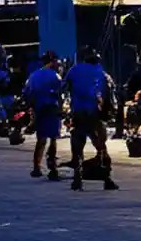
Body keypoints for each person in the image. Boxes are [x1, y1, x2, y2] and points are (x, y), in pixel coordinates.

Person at [64, 46, 116, 191]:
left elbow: (64, 87)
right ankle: (107, 179)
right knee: (101, 147)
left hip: (78, 112)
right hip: (95, 114)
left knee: (77, 146)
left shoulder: (73, 70)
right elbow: (110, 93)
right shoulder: (102, 73)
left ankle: (77, 178)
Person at [23, 52, 63, 181]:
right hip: (51, 110)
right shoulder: (55, 76)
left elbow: (27, 93)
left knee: (41, 139)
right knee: (53, 139)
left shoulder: (33, 76)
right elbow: (60, 93)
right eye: (56, 61)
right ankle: (52, 168)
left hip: (38, 110)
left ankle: (37, 167)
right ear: (51, 62)